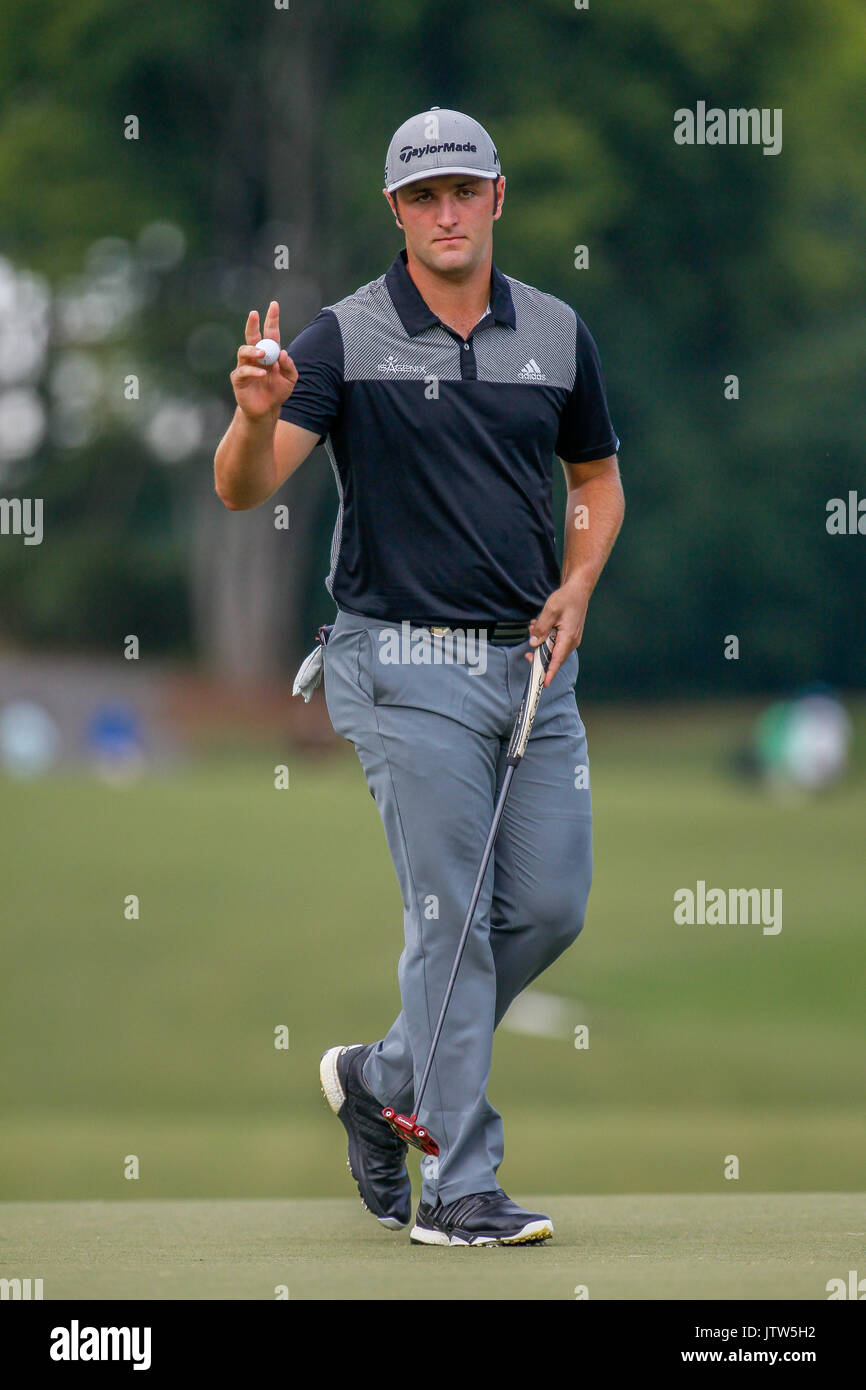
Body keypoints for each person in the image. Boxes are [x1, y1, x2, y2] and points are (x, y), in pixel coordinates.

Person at [214, 108, 624, 1247]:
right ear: (395, 212)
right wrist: (251, 420)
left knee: (544, 906)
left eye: (463, 190)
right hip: (395, 659)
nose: (444, 211)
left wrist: (578, 581)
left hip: (530, 664)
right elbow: (244, 489)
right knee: (448, 917)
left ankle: (380, 1077)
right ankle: (458, 1187)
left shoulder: (554, 331)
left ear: (498, 197)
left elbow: (593, 478)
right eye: (421, 194)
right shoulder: (343, 339)